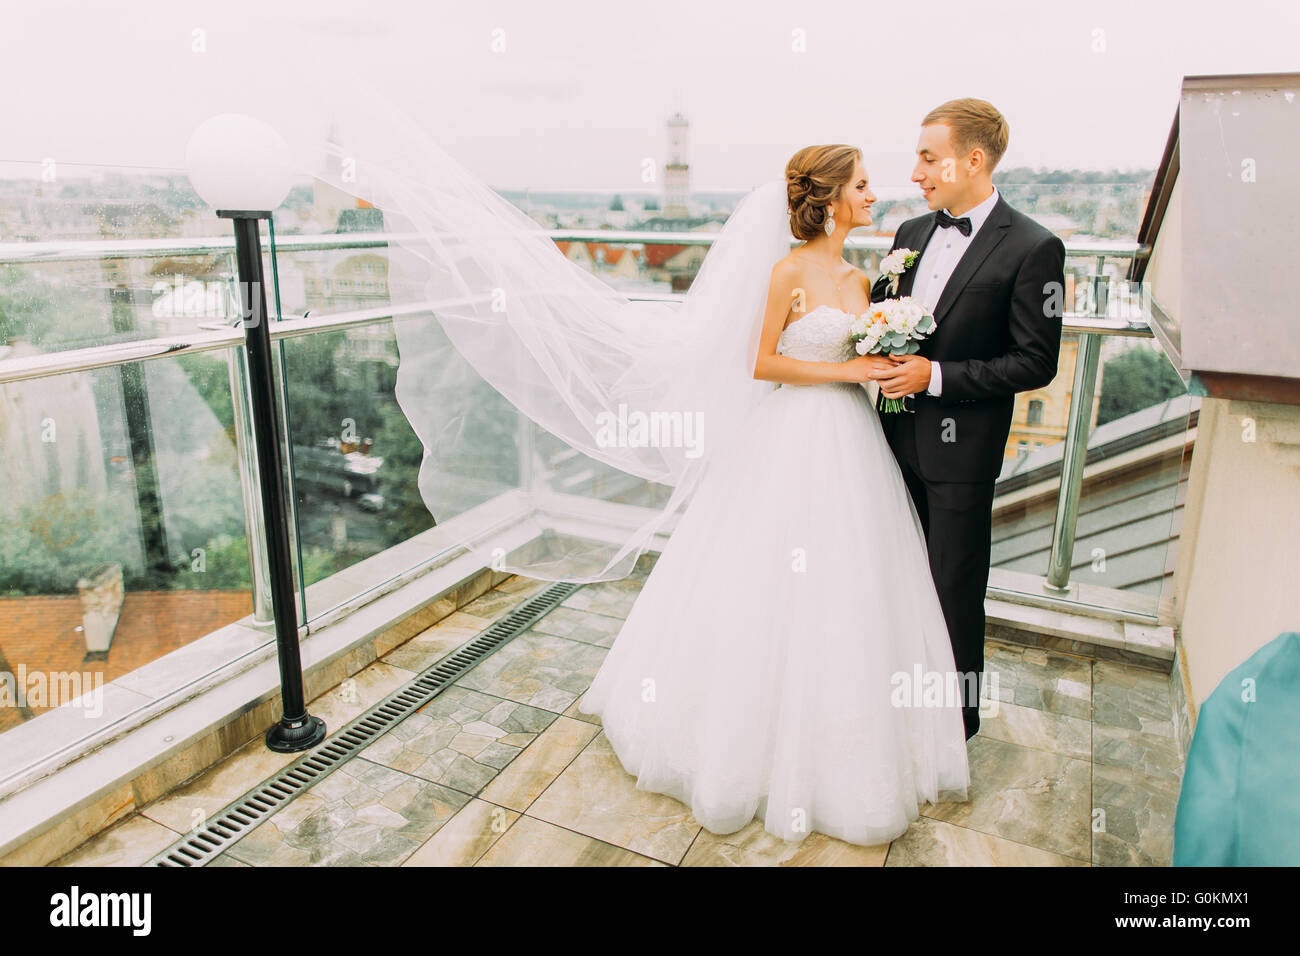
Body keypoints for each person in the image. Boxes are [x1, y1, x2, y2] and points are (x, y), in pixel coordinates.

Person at [577, 145, 971, 846]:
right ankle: (732, 749)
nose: (875, 195)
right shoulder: (788, 270)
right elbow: (762, 362)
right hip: (791, 433)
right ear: (829, 199)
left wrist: (879, 365)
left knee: (851, 590)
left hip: (853, 441)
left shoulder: (865, 278)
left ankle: (845, 746)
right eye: (862, 185)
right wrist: (850, 368)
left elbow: (860, 356)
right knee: (761, 581)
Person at [869, 99, 1066, 739]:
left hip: (961, 455)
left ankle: (956, 726)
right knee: (891, 579)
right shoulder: (909, 235)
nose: (917, 172)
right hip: (886, 442)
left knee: (955, 591)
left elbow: (1035, 363)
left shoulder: (1036, 247)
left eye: (929, 158)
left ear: (973, 159)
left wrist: (938, 378)